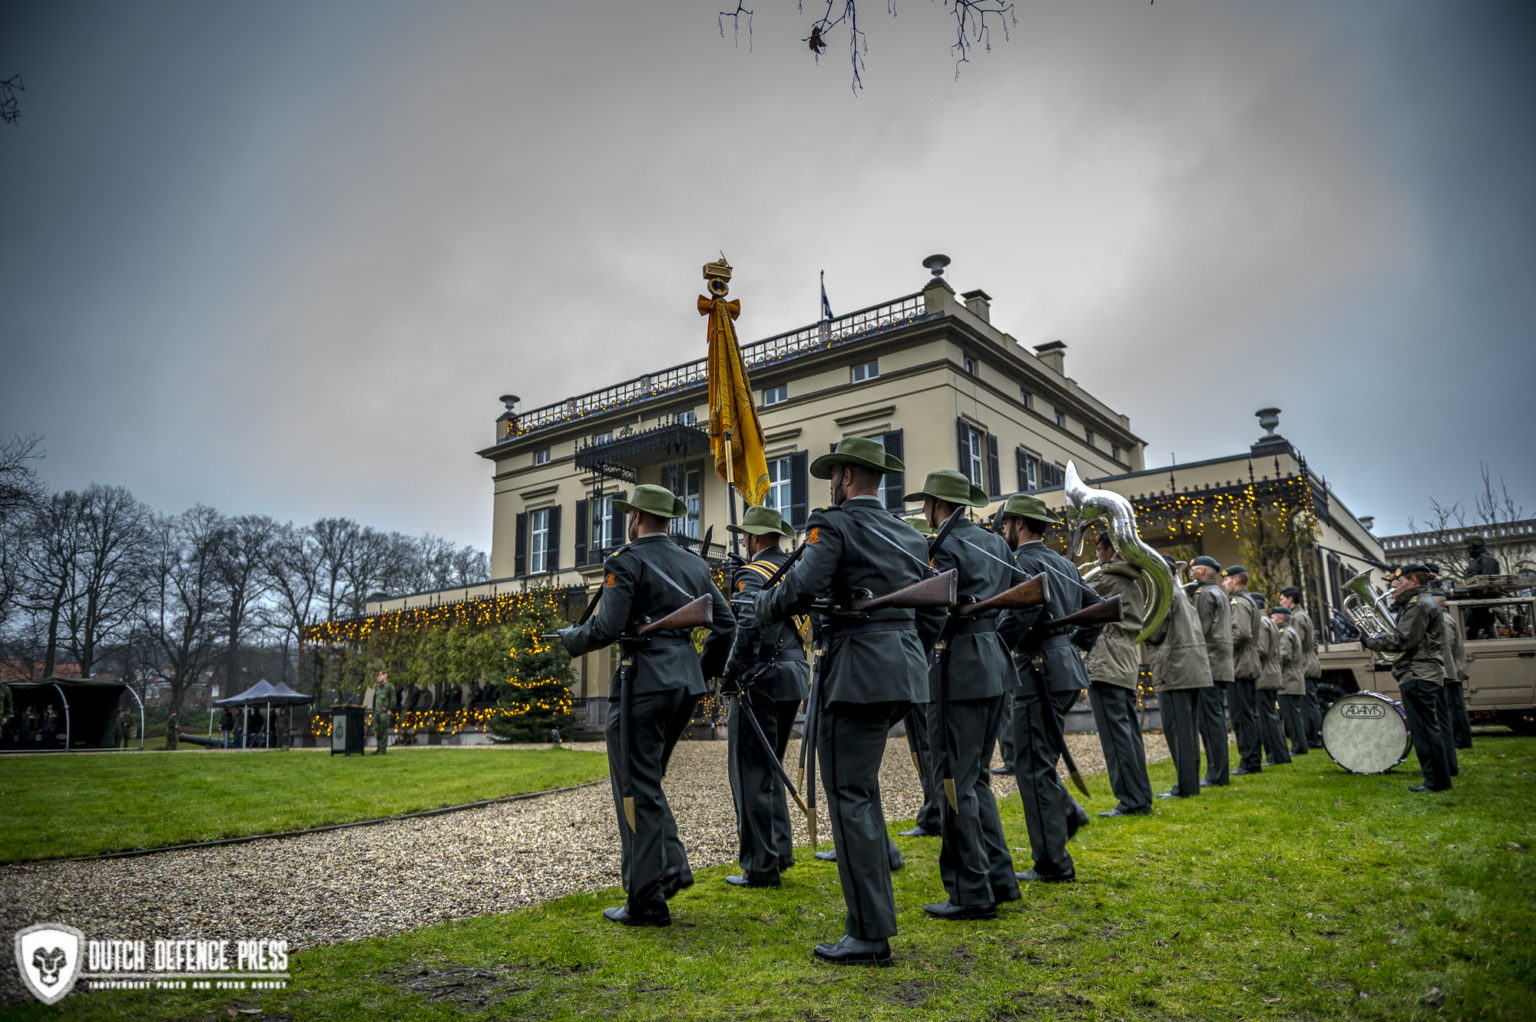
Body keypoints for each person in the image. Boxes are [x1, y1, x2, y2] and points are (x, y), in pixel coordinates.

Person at [753, 437, 938, 965]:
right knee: (863, 789)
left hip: (855, 673)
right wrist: (907, 653)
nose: (829, 482)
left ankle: (868, 932)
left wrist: (760, 607)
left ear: (848, 477)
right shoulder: (908, 533)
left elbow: (800, 587)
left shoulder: (831, 524)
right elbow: (934, 611)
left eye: (833, 473)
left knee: (849, 793)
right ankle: (872, 916)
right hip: (900, 674)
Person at [561, 483, 735, 929]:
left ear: (635, 517)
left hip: (641, 683)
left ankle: (645, 900)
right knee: (648, 780)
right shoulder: (694, 564)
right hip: (684, 685)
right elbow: (726, 625)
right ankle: (669, 865)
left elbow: (606, 627)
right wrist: (696, 670)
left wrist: (569, 640)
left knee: (634, 787)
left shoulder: (627, 560)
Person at [904, 470, 1028, 920]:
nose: (923, 512)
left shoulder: (945, 545)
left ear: (939, 506)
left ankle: (970, 891)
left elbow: (934, 610)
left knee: (953, 781)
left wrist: (913, 651)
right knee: (975, 779)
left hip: (959, 668)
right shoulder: (996, 541)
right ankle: (1000, 878)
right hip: (994, 662)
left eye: (927, 504)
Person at [997, 493, 1103, 884]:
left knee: (1031, 767)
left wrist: (999, 642)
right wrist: (1073, 643)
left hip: (1038, 670)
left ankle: (1052, 863)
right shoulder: (1061, 562)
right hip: (1064, 669)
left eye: (1006, 524)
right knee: (1039, 761)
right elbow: (1097, 608)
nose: (1003, 530)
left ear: (1018, 524)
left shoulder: (1021, 561)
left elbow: (1022, 611)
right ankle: (1069, 813)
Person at [720, 504, 809, 890]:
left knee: (750, 774)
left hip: (759, 679)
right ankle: (781, 851)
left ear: (753, 537)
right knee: (771, 768)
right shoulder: (793, 570)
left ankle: (760, 866)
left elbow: (748, 623)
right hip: (793, 676)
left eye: (745, 535)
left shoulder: (751, 574)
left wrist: (731, 672)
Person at [1362, 565, 1451, 792]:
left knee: (1424, 730)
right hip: (1419, 672)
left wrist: (1371, 641)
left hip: (1418, 672)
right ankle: (1437, 780)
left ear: (1412, 580)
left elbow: (1403, 640)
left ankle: (1435, 782)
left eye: (1398, 584)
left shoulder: (1419, 605)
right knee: (1427, 728)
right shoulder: (1419, 603)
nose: (1394, 589)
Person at [1084, 530, 1152, 817]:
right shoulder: (1132, 581)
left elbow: (1078, 600)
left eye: (1100, 549)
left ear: (1113, 550)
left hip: (1106, 659)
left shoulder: (1107, 579)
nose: (1096, 555)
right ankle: (1140, 796)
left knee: (1115, 737)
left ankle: (1130, 801)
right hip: (1124, 659)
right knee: (1128, 733)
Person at [1147, 559, 1212, 798]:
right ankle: (1190, 784)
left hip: (1175, 670)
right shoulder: (1181, 595)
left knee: (1178, 732)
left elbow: (1155, 632)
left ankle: (1186, 788)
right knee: (1188, 731)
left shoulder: (1166, 595)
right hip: (1191, 669)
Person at [1189, 557, 1235, 787]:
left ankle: (1217, 774)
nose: (1190, 572)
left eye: (1193, 568)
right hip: (1221, 662)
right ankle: (1219, 773)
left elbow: (1199, 629)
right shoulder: (1219, 593)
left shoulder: (1204, 594)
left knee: (1209, 721)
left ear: (1204, 570)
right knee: (1214, 719)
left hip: (1210, 662)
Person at [1223, 565, 1264, 775]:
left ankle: (1249, 761)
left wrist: (1220, 647)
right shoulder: (1248, 601)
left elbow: (1239, 633)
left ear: (1236, 580)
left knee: (1242, 716)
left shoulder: (1238, 602)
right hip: (1245, 662)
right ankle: (1252, 759)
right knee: (1247, 715)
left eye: (1227, 580)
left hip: (1240, 664)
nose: (1224, 584)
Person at [1250, 593, 1292, 767]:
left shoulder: (1259, 622)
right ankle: (1278, 754)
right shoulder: (1267, 621)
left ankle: (1276, 755)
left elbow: (1260, 650)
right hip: (1270, 672)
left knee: (1267, 717)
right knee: (1270, 715)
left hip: (1264, 674)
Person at [1280, 587, 1323, 749]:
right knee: (1309, 702)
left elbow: (1294, 642)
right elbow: (1314, 643)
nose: (1280, 602)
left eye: (1282, 599)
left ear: (1291, 599)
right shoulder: (1303, 615)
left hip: (1303, 665)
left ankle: (1312, 738)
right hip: (1309, 662)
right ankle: (1313, 737)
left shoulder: (1296, 618)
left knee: (1307, 704)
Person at [1435, 593, 1473, 749]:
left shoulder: (1443, 620)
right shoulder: (1445, 618)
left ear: (1439, 604)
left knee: (1454, 708)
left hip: (1450, 671)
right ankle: (1461, 739)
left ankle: (1460, 741)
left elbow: (1445, 647)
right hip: (1451, 669)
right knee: (1455, 707)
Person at [1273, 607, 1309, 756]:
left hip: (1288, 680)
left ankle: (1298, 746)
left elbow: (1284, 656)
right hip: (1293, 678)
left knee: (1291, 717)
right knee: (1294, 716)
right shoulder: (1290, 631)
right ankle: (1300, 745)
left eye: (1273, 617)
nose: (1271, 620)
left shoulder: (1285, 633)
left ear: (1281, 619)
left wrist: (1275, 670)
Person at [1463, 536, 1501, 640]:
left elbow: (1487, 582)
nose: (1467, 549)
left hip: (1482, 602)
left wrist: (1471, 592)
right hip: (1476, 601)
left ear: (1474, 546)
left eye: (1468, 546)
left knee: (1470, 627)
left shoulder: (1487, 560)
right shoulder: (1475, 561)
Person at [372, 670, 396, 755]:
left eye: (380, 676)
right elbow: (375, 699)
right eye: (378, 676)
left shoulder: (390, 687)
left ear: (385, 676)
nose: (378, 677)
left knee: (383, 730)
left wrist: (390, 709)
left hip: (384, 712)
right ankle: (378, 748)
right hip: (377, 712)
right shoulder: (378, 687)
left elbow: (393, 699)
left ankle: (383, 749)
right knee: (377, 730)